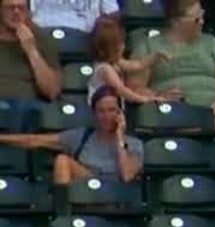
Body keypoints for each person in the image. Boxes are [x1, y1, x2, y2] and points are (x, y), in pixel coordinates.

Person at [0, 85, 142, 184]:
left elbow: (127, 176)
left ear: (120, 113)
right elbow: (34, 140)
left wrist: (119, 138)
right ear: (94, 114)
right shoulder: (82, 136)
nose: (106, 116)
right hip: (86, 193)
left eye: (112, 110)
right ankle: (63, 212)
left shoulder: (134, 144)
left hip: (117, 197)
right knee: (62, 160)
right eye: (101, 111)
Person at [135, 0, 215, 112]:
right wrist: (157, 95)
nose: (202, 22)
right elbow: (136, 88)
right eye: (196, 19)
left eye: (202, 16)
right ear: (176, 22)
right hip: (171, 111)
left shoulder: (213, 43)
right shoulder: (149, 47)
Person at [86, 15, 176, 104]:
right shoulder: (105, 69)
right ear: (104, 50)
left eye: (122, 43)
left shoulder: (116, 62)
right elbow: (121, 90)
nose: (123, 48)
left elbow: (139, 65)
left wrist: (156, 56)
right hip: (102, 109)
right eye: (117, 47)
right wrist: (145, 99)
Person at [0, 0, 62, 128]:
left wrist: (31, 50)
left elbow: (52, 91)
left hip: (27, 110)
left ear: (29, 12)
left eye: (21, 8)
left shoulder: (41, 39)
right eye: (10, 8)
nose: (16, 12)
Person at [30, 0, 118, 32]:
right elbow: (26, 10)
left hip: (86, 35)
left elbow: (112, 13)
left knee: (109, 30)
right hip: (42, 34)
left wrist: (101, 23)